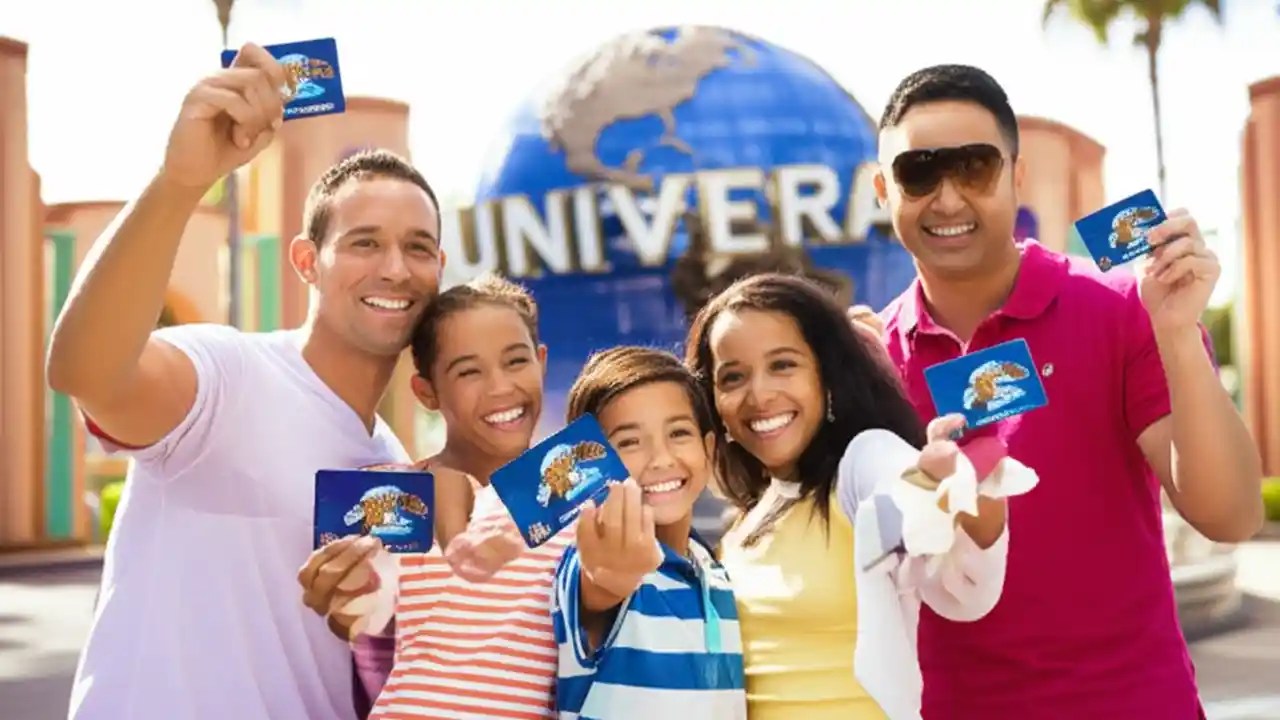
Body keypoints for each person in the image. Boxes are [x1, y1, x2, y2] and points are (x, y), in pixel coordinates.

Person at [46, 44, 446, 720]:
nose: (395, 269)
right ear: (305, 261)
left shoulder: (396, 470)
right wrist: (180, 182)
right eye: (364, 242)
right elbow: (85, 372)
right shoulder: (229, 377)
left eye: (418, 247)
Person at [872, 63, 1265, 718]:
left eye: (974, 168)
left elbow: (1230, 515)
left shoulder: (1124, 308)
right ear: (884, 189)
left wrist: (1177, 335)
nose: (947, 198)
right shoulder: (872, 358)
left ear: (1016, 176)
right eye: (919, 173)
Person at [683, 273, 1034, 719]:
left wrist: (947, 485)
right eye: (732, 377)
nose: (760, 394)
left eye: (783, 365)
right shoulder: (740, 531)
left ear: (827, 379)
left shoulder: (862, 465)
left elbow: (928, 532)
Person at [297, 273, 565, 719]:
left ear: (541, 362)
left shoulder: (571, 495)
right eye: (469, 372)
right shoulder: (386, 497)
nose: (500, 387)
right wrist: (344, 596)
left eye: (516, 362)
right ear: (426, 392)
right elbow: (360, 619)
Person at [553, 347, 748, 719]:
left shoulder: (715, 571)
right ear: (588, 466)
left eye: (678, 433)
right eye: (628, 442)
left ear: (708, 448)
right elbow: (603, 581)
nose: (660, 458)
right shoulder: (593, 559)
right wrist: (609, 575)